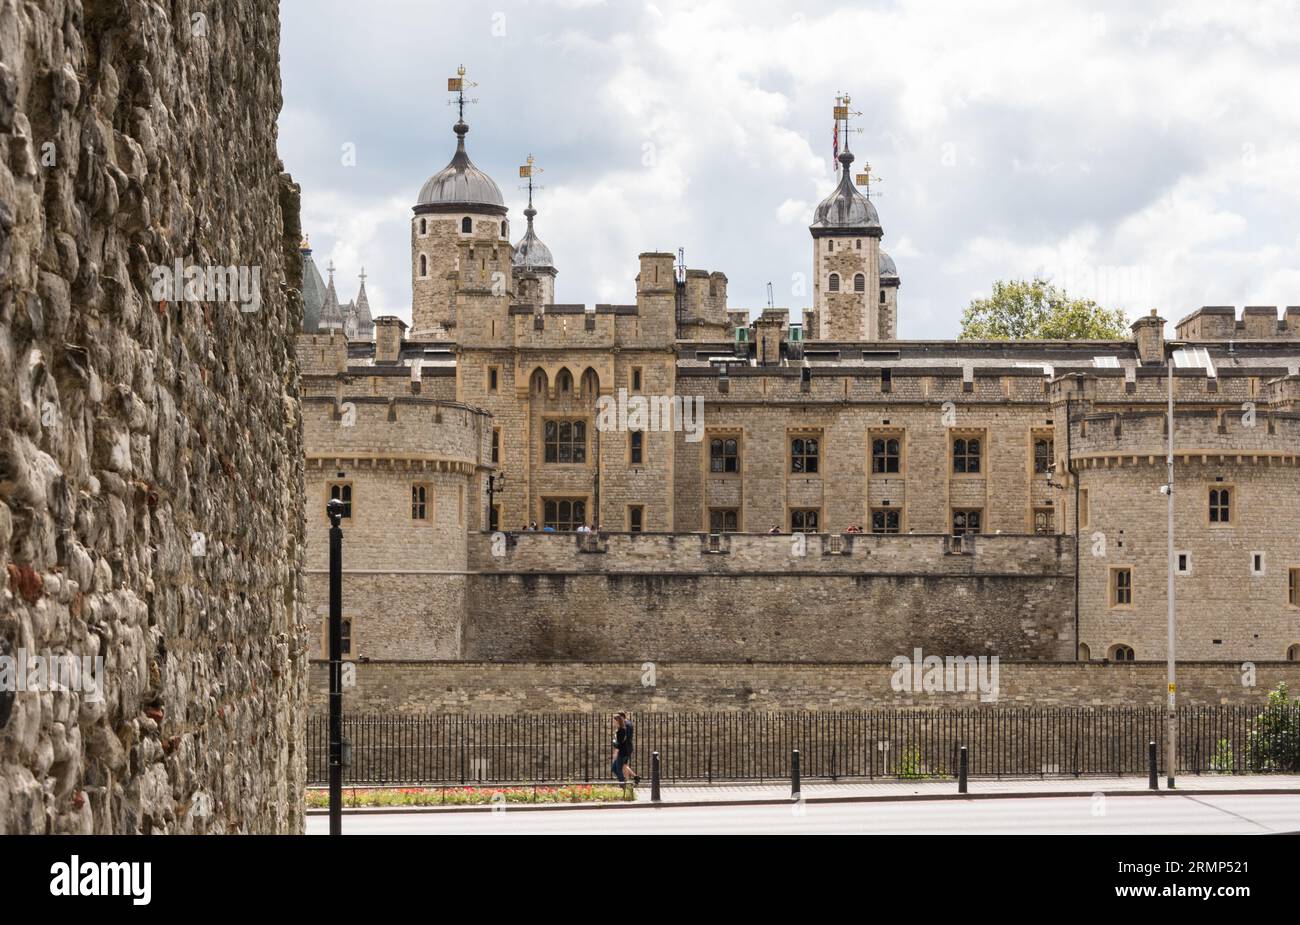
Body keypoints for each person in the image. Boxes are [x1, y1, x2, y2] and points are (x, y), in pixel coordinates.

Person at [610, 712, 640, 785]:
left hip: (624, 749)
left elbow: (621, 741)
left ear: (621, 718)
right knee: (624, 765)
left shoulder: (625, 726)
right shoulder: (628, 724)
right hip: (627, 748)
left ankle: (624, 783)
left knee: (619, 768)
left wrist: (616, 752)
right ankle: (633, 778)